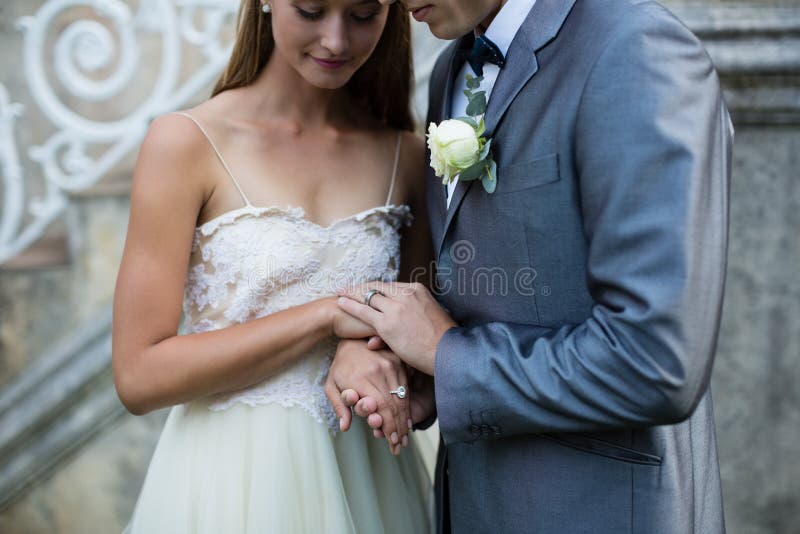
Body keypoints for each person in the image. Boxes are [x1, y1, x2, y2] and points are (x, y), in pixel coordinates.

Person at [326, 0, 733, 532]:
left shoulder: (636, 49)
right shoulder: (452, 67)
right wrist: (419, 371)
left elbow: (656, 363)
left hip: (598, 510)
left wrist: (451, 357)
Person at [112, 0, 435, 531]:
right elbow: (138, 376)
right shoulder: (186, 142)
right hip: (231, 487)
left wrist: (364, 346)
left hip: (365, 480)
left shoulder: (407, 155)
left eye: (363, 15)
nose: (336, 40)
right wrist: (327, 317)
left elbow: (415, 326)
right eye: (310, 10)